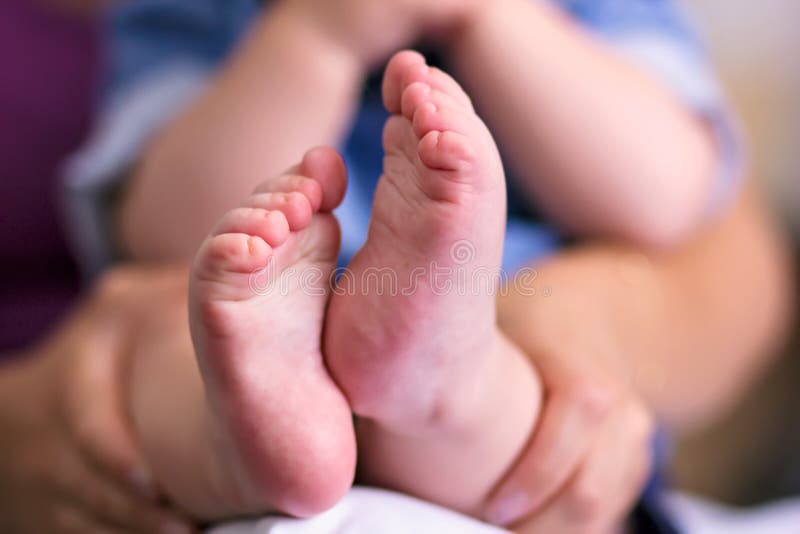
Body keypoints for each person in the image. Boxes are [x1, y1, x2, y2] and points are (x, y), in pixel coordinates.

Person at [41, 0, 791, 533]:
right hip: (230, 351)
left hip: (505, 343)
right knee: (167, 336)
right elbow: (171, 232)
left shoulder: (593, 9)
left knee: (505, 368)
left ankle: (435, 381)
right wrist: (318, 34)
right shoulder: (202, 12)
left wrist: (495, 18)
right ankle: (256, 444)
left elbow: (663, 197)